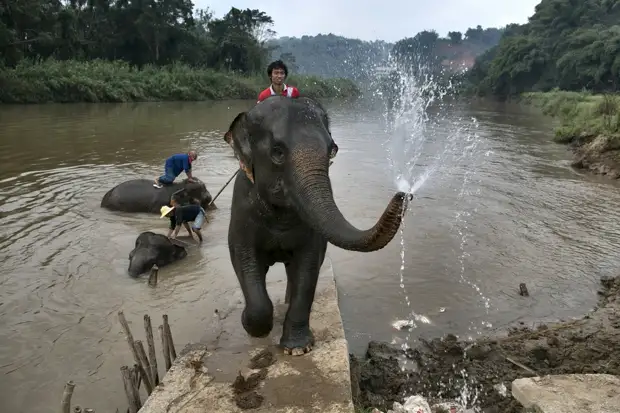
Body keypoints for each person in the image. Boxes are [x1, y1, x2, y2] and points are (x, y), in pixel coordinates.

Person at [257, 60, 338, 165]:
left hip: (292, 128)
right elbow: (259, 117)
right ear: (270, 76)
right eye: (276, 73)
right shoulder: (264, 95)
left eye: (282, 73)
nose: (279, 76)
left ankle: (325, 152)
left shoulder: (293, 92)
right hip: (273, 130)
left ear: (285, 76)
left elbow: (300, 111)